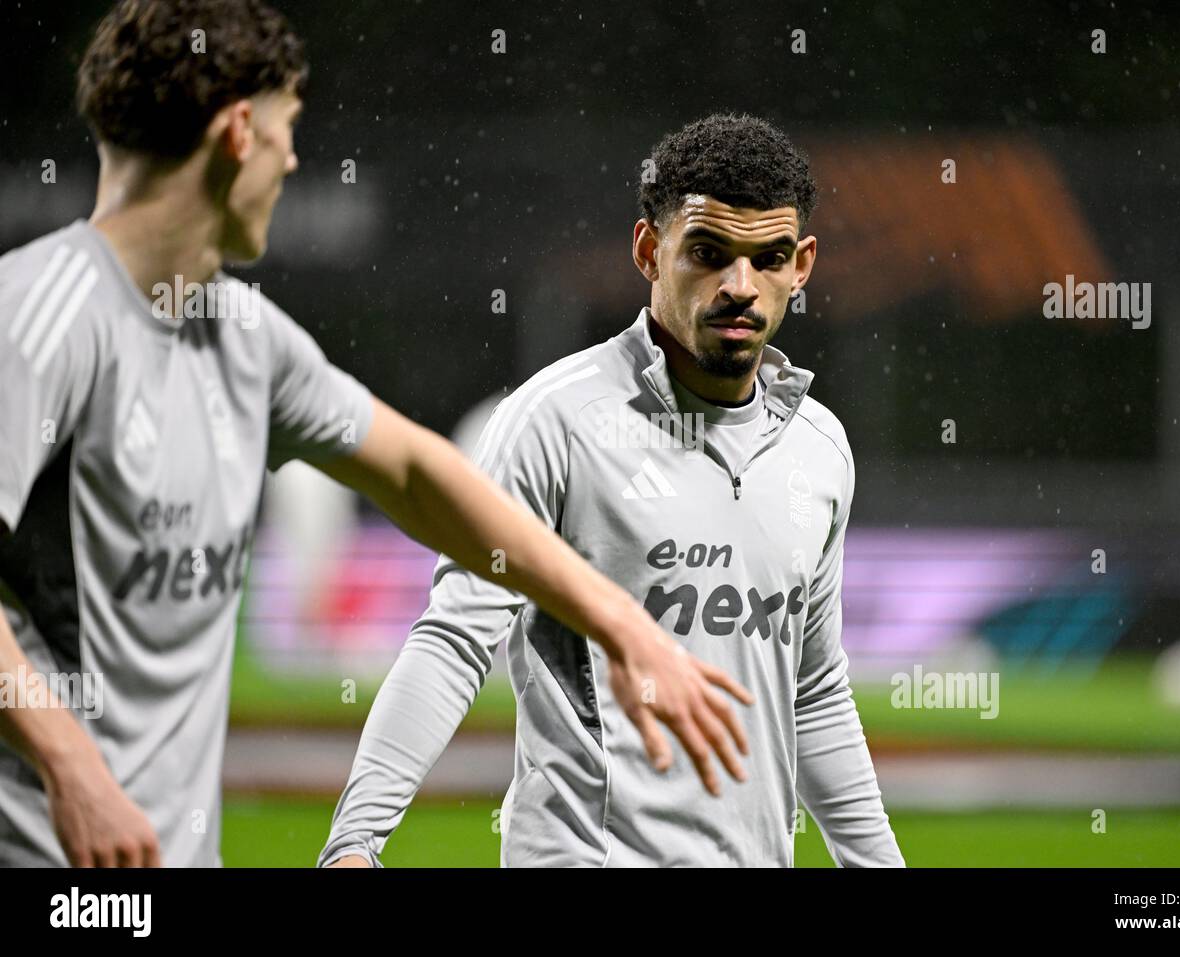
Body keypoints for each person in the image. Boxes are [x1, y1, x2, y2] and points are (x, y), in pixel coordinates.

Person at [0, 0, 751, 868]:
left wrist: (619, 622)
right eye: (287, 129)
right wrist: (70, 766)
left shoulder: (245, 336)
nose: (292, 158)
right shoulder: (36, 319)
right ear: (238, 132)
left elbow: (416, 475)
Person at [321, 113, 905, 867]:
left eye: (769, 258)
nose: (740, 286)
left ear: (804, 265)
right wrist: (355, 841)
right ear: (647, 250)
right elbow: (457, 637)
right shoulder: (555, 420)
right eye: (708, 252)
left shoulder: (819, 448)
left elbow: (816, 690)